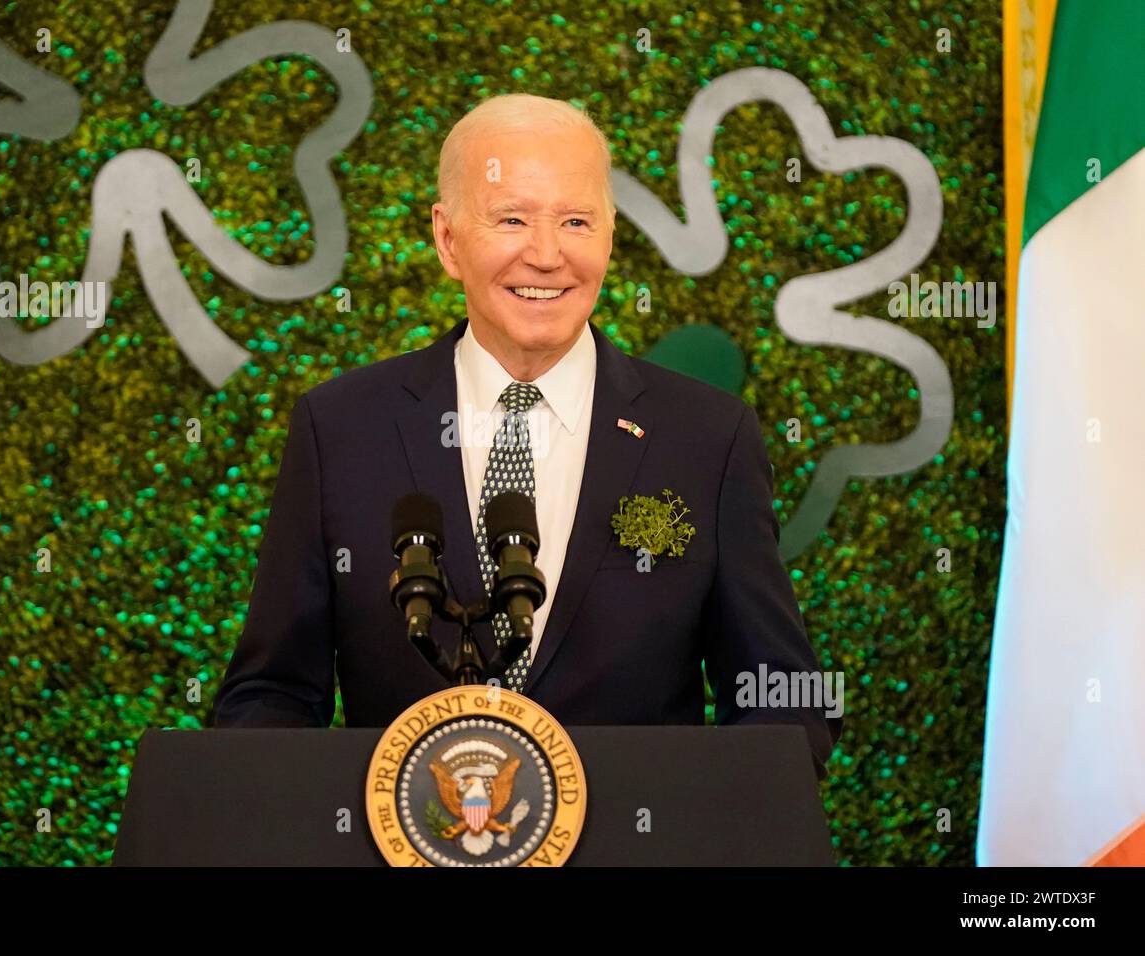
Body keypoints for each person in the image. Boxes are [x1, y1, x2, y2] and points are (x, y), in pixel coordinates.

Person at [213, 94, 841, 775]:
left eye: (576, 220)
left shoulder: (708, 439)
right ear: (448, 240)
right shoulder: (339, 429)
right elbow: (271, 693)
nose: (546, 256)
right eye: (511, 219)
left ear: (609, 237)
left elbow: (783, 700)